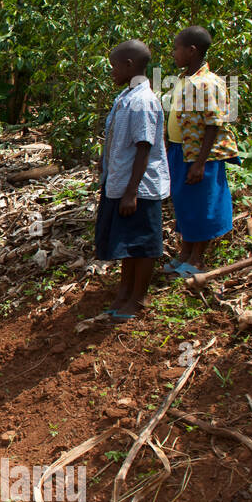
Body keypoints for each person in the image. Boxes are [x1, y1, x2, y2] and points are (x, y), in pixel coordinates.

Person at [97, 40, 170, 320]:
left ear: (129, 65)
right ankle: (123, 293)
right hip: (120, 183)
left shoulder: (143, 101)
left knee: (142, 245)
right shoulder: (125, 97)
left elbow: (144, 147)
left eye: (114, 66)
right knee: (127, 244)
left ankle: (137, 300)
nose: (111, 72)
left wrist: (132, 192)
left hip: (139, 188)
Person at [164, 26, 238, 277]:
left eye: (177, 48)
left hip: (198, 156)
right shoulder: (185, 79)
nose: (174, 53)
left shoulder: (209, 83)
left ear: (191, 50)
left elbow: (214, 124)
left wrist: (200, 163)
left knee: (202, 205)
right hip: (180, 151)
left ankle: (197, 259)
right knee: (185, 203)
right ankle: (185, 252)